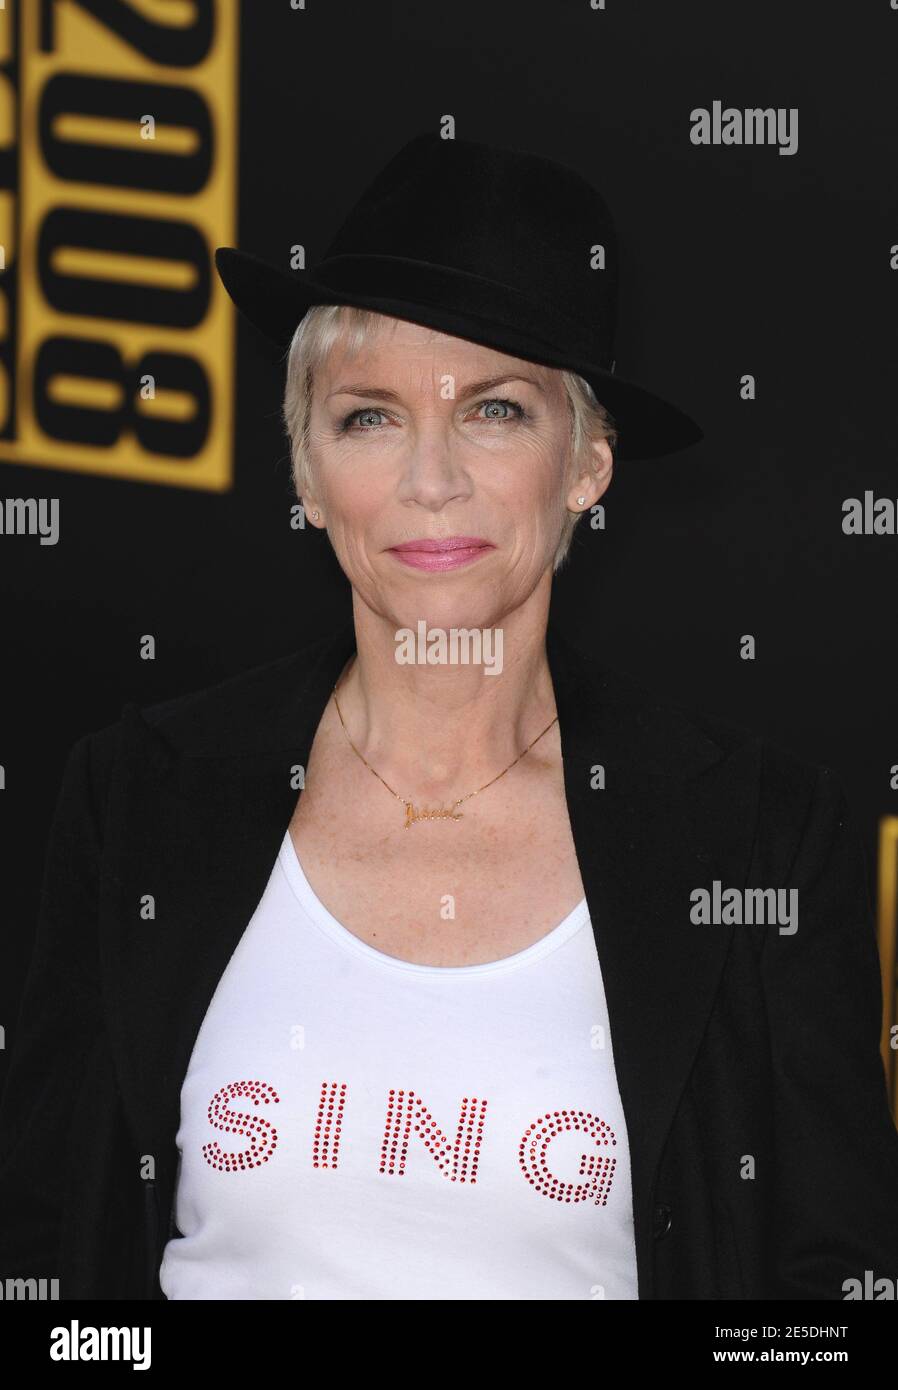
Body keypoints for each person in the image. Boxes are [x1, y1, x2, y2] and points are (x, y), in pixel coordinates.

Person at [1, 134, 896, 1300]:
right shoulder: (135, 795)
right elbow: (39, 1254)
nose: (430, 478)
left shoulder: (763, 836)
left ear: (587, 464)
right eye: (368, 416)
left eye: (494, 410)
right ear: (306, 472)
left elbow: (835, 1295)